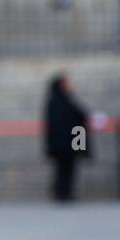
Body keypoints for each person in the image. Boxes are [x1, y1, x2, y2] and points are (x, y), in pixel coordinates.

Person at [43, 73, 92, 202]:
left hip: (71, 142)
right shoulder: (56, 102)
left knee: (68, 169)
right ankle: (62, 194)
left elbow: (79, 118)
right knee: (63, 169)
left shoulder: (66, 100)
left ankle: (65, 193)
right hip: (65, 144)